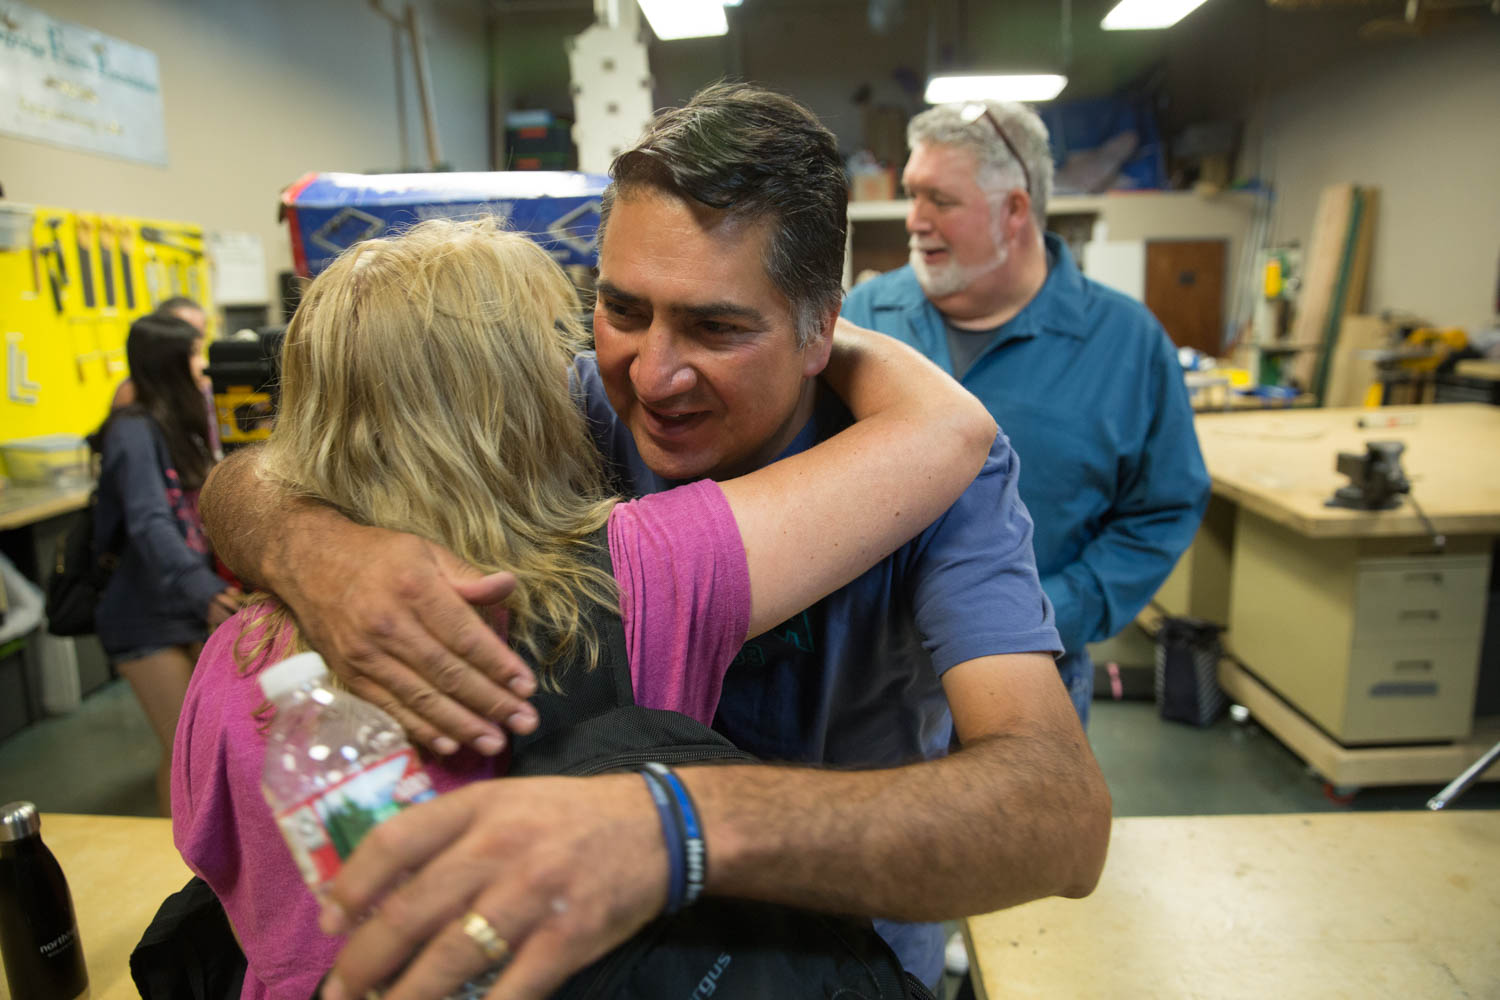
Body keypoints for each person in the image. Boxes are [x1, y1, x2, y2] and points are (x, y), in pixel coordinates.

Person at [199, 83, 1112, 995]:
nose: (655, 374)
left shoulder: (937, 479)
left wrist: (673, 828)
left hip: (836, 953)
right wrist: (311, 549)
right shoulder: (566, 413)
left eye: (717, 327)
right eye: (623, 309)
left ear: (819, 329)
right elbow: (282, 465)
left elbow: (1059, 815)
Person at [842, 99, 1211, 727]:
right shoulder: (865, 320)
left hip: (1033, 679)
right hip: (869, 691)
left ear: (1015, 210)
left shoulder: (1125, 343)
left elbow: (1162, 508)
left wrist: (1049, 608)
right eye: (912, 195)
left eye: (942, 200)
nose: (915, 221)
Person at [93, 313, 241, 815]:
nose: (204, 367)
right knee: (184, 752)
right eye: (196, 353)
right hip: (144, 615)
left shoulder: (176, 423)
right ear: (171, 362)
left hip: (181, 606)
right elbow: (150, 521)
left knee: (203, 746)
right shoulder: (133, 431)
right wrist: (201, 588)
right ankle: (170, 865)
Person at [111, 297, 208, 411]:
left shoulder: (206, 382)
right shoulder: (131, 393)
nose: (192, 337)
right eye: (181, 329)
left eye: (199, 334)